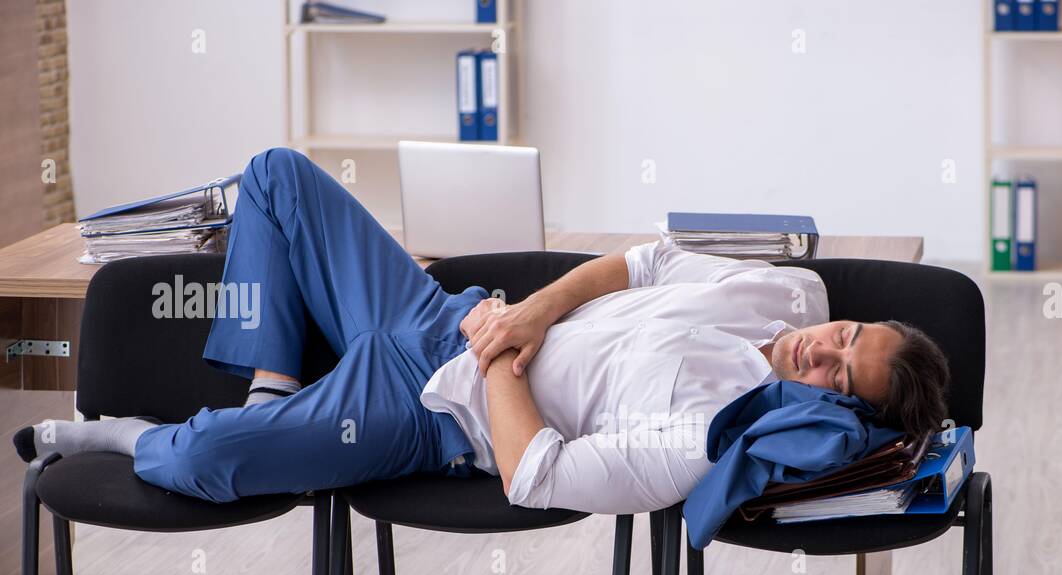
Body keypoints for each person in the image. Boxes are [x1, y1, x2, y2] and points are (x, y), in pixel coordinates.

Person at [14, 148, 950, 517]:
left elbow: (534, 475)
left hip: (440, 415)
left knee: (206, 459)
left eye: (836, 374)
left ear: (838, 413)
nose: (818, 347)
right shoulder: (790, 296)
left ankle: (116, 432)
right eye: (846, 331)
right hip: (448, 318)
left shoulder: (705, 443)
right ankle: (275, 385)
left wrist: (503, 358)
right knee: (276, 178)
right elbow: (647, 262)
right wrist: (531, 312)